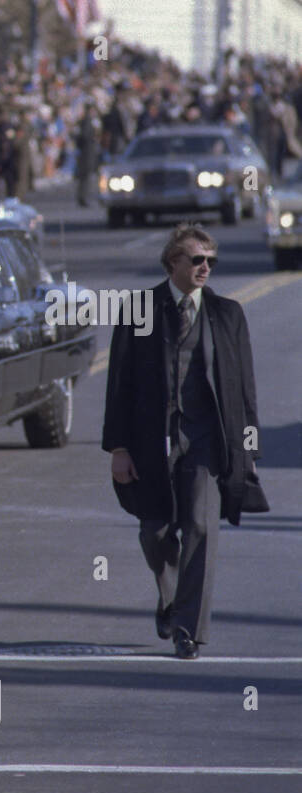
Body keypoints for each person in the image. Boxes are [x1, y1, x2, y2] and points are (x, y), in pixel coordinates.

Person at [103, 224, 263, 659]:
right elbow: (118, 382)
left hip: (207, 440)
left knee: (199, 527)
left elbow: (244, 390)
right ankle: (170, 598)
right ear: (172, 262)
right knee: (154, 533)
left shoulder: (228, 314)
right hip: (150, 440)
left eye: (210, 260)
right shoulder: (140, 309)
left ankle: (188, 629)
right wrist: (118, 448)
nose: (205, 267)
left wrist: (247, 449)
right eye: (196, 259)